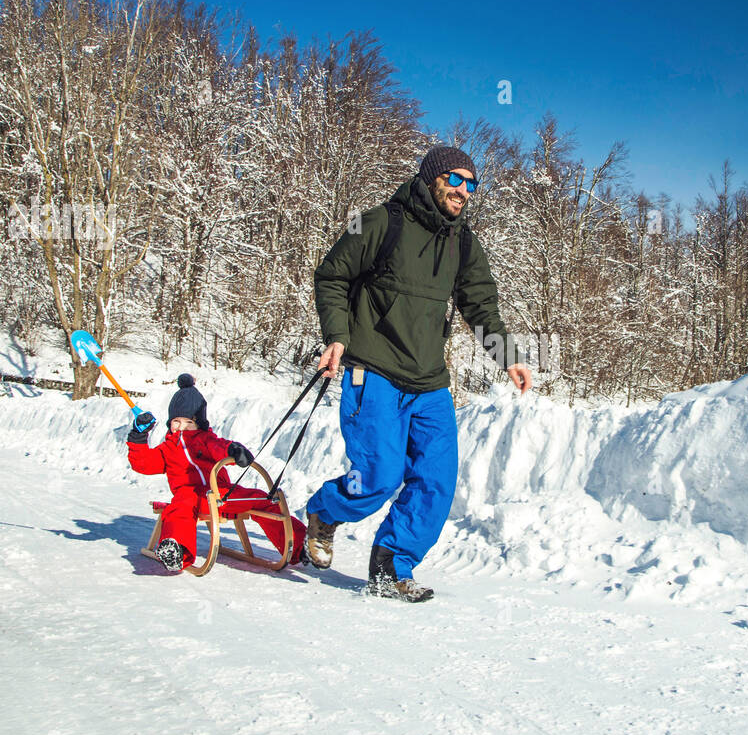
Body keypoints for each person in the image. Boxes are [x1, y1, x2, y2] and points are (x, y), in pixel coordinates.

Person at [304, 145, 532, 602]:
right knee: (378, 476)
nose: (464, 191)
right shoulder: (378, 222)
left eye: (471, 184)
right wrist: (337, 335)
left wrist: (507, 354)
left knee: (437, 480)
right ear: (431, 178)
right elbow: (332, 275)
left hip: (429, 381)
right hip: (374, 370)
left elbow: (480, 302)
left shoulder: (463, 241)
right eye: (456, 179)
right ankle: (324, 511)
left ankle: (391, 565)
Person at [128, 374, 306, 571]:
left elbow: (219, 447)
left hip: (221, 494)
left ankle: (301, 544)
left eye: (189, 422)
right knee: (179, 509)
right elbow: (143, 464)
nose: (182, 428)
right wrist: (138, 437)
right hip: (191, 497)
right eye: (176, 422)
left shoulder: (206, 440)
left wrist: (233, 450)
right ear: (170, 422)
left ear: (199, 423)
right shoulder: (167, 448)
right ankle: (177, 550)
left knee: (263, 498)